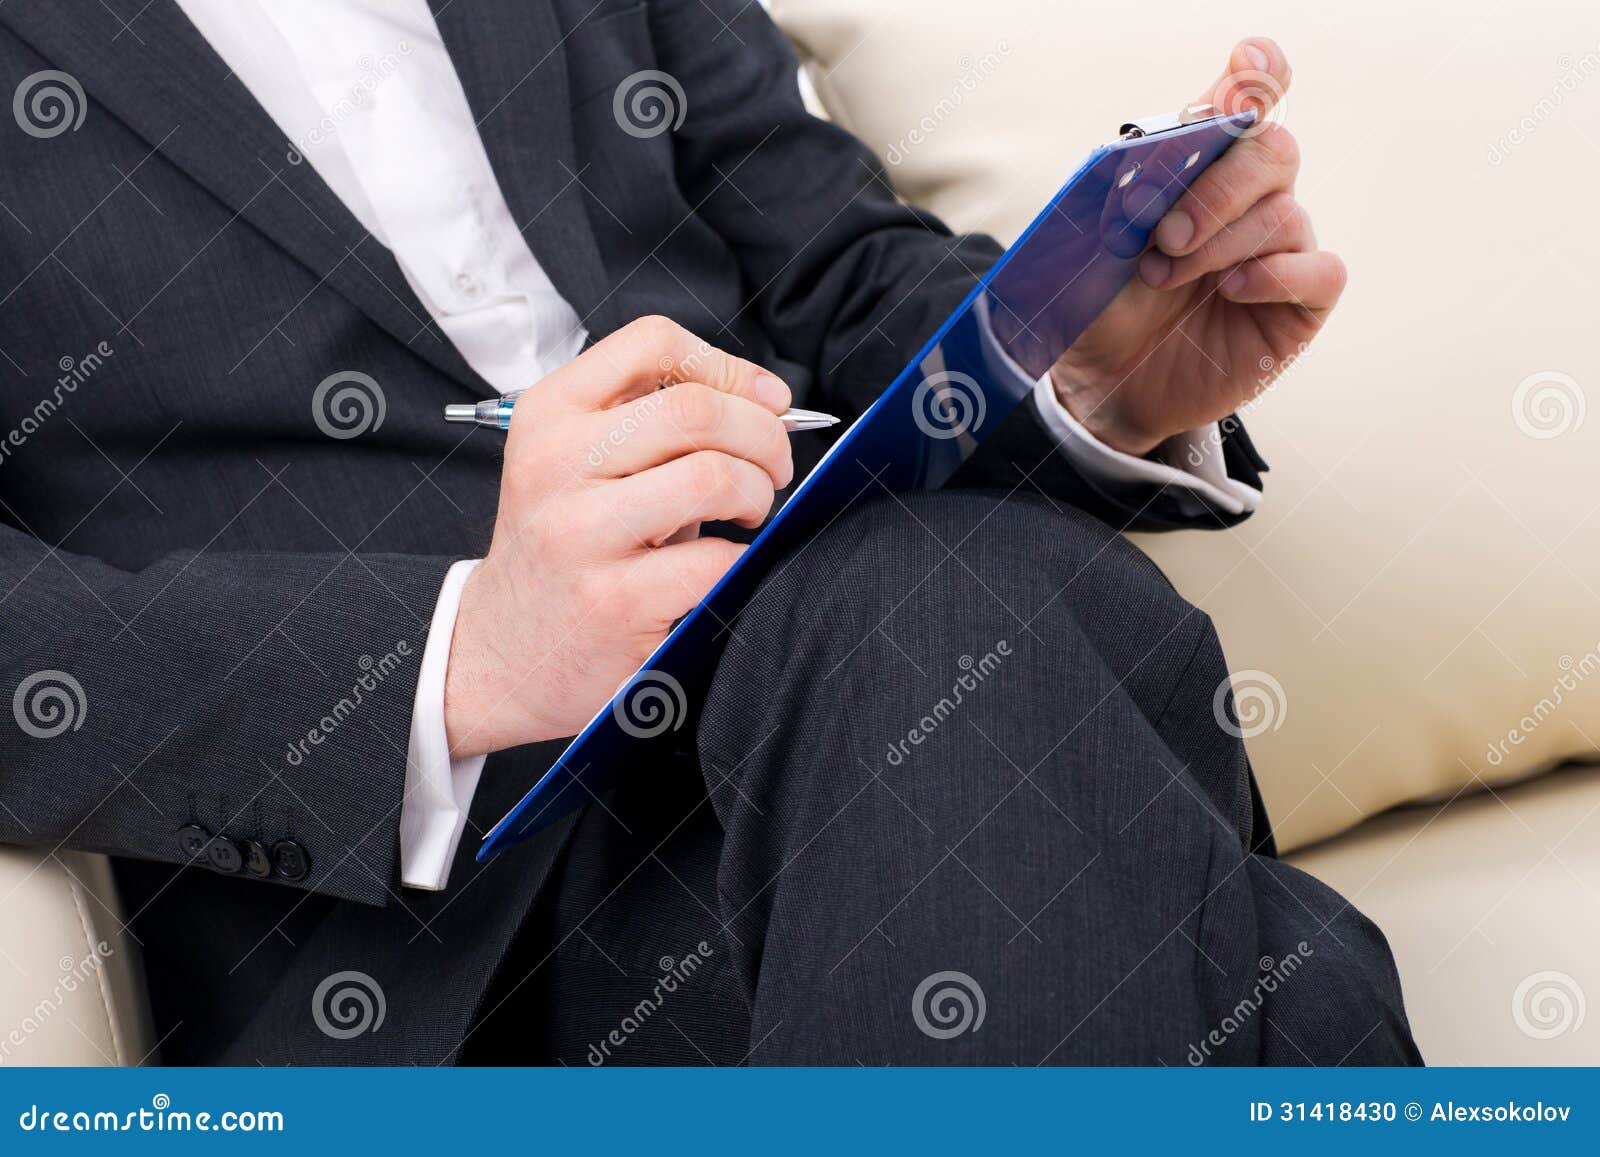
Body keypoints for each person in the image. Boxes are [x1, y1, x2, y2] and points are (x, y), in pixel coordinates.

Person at [0, 0, 1417, 1065]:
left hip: (857, 685)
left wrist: (1083, 369)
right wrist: (467, 652)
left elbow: (832, 260)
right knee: (1289, 992)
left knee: (962, 616)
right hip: (451, 926)